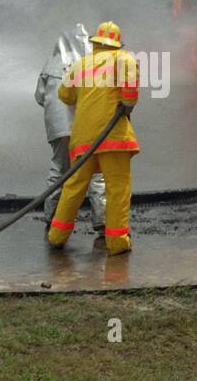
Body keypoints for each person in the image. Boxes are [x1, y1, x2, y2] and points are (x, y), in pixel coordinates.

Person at [47, 21, 139, 255]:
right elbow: (130, 91)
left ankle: (56, 236)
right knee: (117, 188)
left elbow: (64, 95)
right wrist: (126, 105)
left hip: (82, 139)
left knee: (74, 187)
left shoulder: (80, 65)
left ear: (95, 43)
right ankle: (117, 242)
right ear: (116, 44)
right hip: (114, 137)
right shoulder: (124, 59)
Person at [36, 24, 106, 234]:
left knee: (59, 170)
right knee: (95, 171)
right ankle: (102, 221)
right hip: (84, 127)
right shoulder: (87, 65)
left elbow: (40, 97)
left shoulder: (50, 65)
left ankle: (52, 219)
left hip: (57, 129)